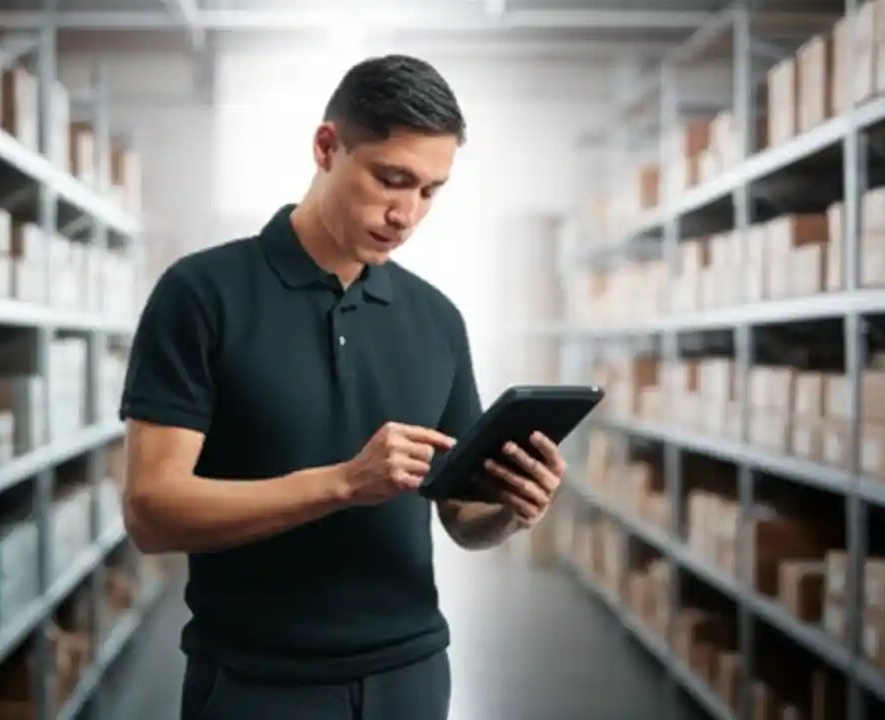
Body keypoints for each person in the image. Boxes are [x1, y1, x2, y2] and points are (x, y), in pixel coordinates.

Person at [118, 53, 567, 720]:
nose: (407, 213)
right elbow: (151, 513)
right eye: (392, 179)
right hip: (256, 681)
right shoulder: (202, 294)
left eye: (430, 191)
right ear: (327, 147)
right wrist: (343, 484)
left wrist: (511, 507)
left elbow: (461, 519)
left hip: (412, 676)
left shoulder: (438, 319)